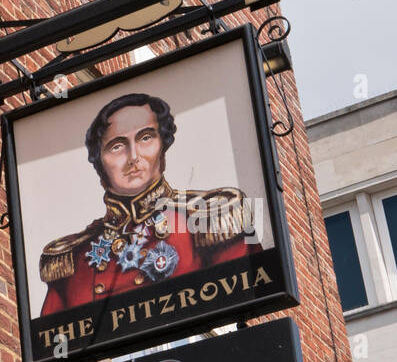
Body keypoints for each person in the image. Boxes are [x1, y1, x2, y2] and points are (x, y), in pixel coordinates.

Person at [38, 92, 260, 317]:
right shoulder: (75, 256)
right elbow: (55, 341)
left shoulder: (207, 218)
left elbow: (250, 296)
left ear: (163, 146)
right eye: (116, 146)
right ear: (100, 163)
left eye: (145, 138)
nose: (133, 156)